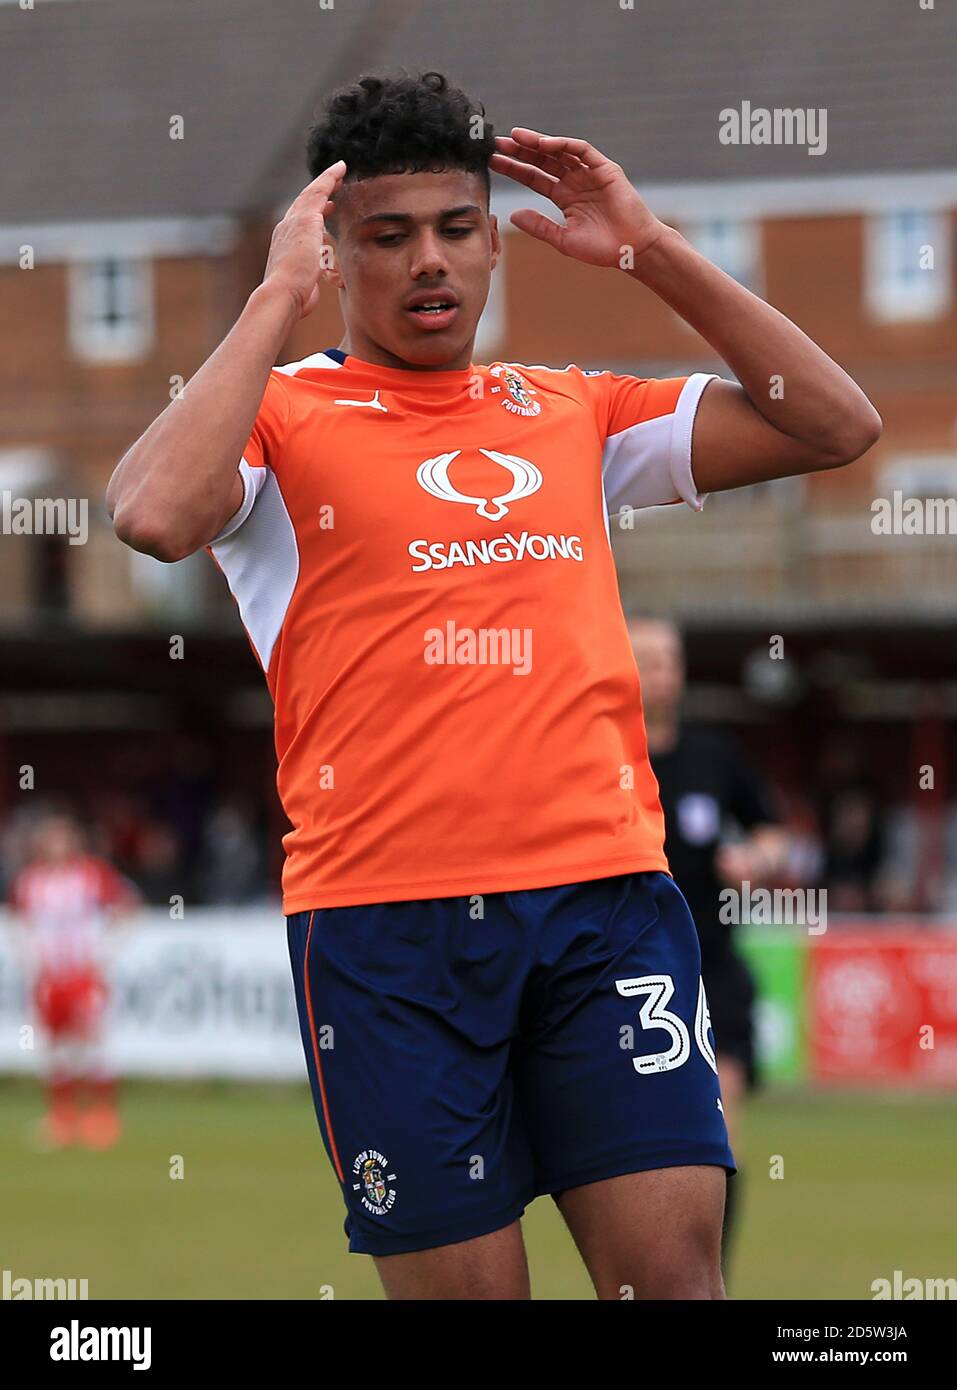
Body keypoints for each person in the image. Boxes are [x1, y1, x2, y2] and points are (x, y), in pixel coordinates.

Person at [106, 71, 881, 1299]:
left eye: (456, 229)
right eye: (389, 235)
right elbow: (150, 513)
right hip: (386, 931)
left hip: (601, 907)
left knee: (677, 1288)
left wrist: (652, 252)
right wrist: (270, 300)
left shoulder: (570, 409)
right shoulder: (279, 418)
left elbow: (835, 425)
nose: (430, 263)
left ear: (491, 242)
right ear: (337, 252)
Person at [628, 617, 789, 1276]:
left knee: (717, 1133)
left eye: (671, 659)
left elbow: (773, 831)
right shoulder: (593, 755)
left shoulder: (713, 754)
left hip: (711, 970)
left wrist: (756, 856)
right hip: (622, 973)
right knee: (640, 1151)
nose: (663, 672)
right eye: (648, 660)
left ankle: (706, 1278)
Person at [8, 811, 138, 1149]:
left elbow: (127, 905)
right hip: (49, 977)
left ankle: (102, 1117)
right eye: (51, 838)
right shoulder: (30, 880)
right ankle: (61, 1119)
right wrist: (29, 957)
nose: (57, 845)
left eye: (62, 837)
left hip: (83, 975)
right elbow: (19, 920)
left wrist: (104, 951)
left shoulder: (90, 875)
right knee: (55, 1048)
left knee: (92, 1042)